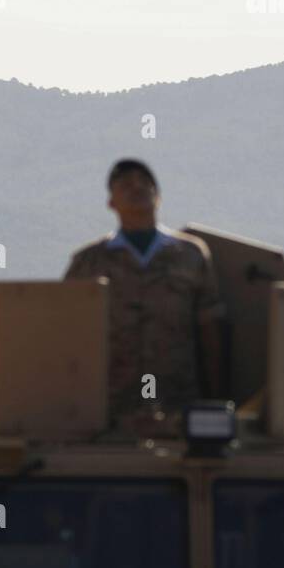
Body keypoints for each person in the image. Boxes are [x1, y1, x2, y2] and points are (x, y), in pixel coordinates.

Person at [63, 159, 224, 425]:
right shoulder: (89, 262)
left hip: (178, 405)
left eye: (145, 182)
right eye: (125, 184)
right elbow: (63, 331)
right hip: (108, 410)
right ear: (111, 202)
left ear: (159, 197)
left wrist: (217, 400)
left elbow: (210, 328)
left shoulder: (190, 254)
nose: (136, 187)